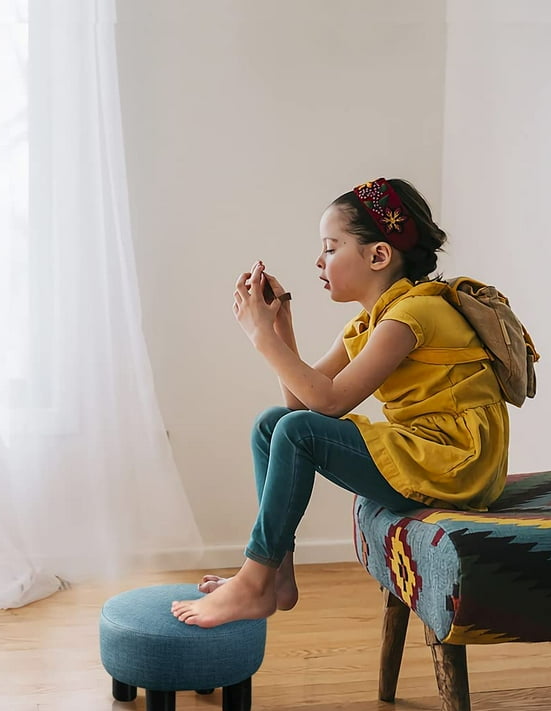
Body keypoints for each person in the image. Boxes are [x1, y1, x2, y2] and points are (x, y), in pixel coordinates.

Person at [171, 177, 509, 628]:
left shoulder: (416, 313)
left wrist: (259, 338)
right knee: (272, 426)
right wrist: (279, 329)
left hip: (457, 463)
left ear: (378, 255)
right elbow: (298, 406)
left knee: (295, 431)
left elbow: (326, 406)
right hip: (425, 452)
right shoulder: (373, 321)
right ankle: (275, 576)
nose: (319, 260)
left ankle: (254, 580)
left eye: (331, 248)